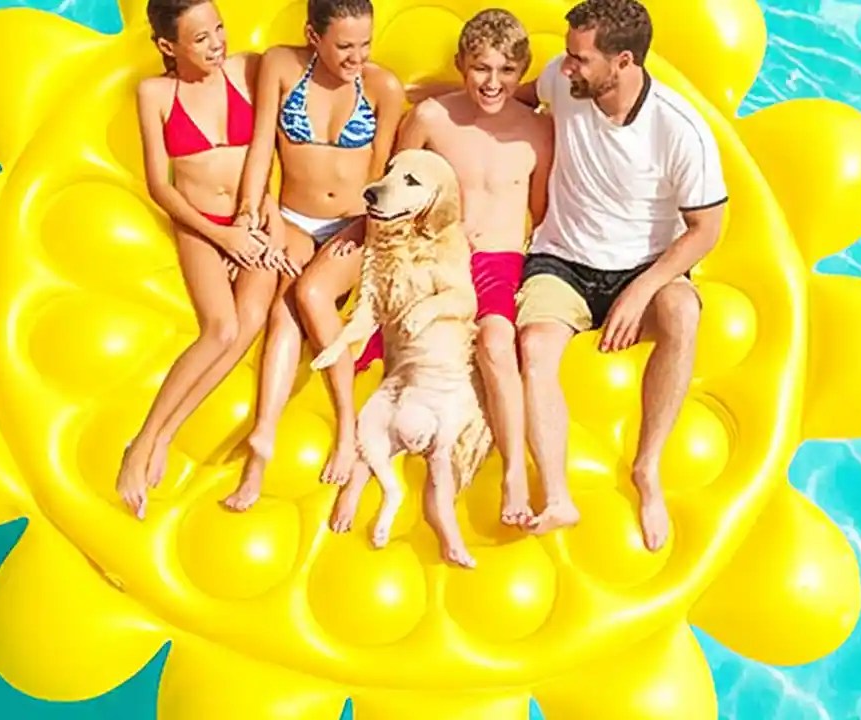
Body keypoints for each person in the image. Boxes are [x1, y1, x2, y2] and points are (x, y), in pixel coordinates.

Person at [326, 9, 554, 545]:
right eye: (479, 69)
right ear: (461, 66)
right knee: (377, 349)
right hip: (431, 256)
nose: (492, 83)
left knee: (497, 342)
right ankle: (358, 466)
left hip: (497, 262)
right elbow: (396, 190)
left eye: (505, 71)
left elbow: (540, 212)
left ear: (522, 72)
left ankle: (516, 476)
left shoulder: (537, 131)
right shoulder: (432, 117)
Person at [511, 0, 727, 549]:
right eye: (568, 54)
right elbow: (503, 100)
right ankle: (558, 497)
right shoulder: (563, 85)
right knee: (533, 348)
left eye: (580, 58)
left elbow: (706, 229)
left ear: (623, 61)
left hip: (642, 267)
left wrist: (643, 289)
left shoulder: (680, 130)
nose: (565, 67)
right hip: (561, 258)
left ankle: (646, 467)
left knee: (682, 310)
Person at [116, 0, 299, 519]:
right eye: (200, 38)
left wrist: (263, 212)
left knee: (248, 325)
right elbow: (160, 184)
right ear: (167, 46)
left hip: (252, 219)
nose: (217, 43)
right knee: (218, 328)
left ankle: (166, 434)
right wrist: (222, 241)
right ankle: (142, 442)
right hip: (199, 222)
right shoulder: (154, 93)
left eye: (219, 30)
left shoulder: (247, 68)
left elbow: (274, 148)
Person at [222, 0, 405, 510]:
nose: (356, 57)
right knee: (282, 314)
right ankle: (261, 443)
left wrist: (369, 227)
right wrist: (253, 214)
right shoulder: (282, 66)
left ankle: (348, 427)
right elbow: (263, 145)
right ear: (312, 36)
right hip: (294, 218)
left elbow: (383, 174)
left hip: (354, 223)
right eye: (344, 46)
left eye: (365, 44)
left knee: (310, 294)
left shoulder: (382, 87)